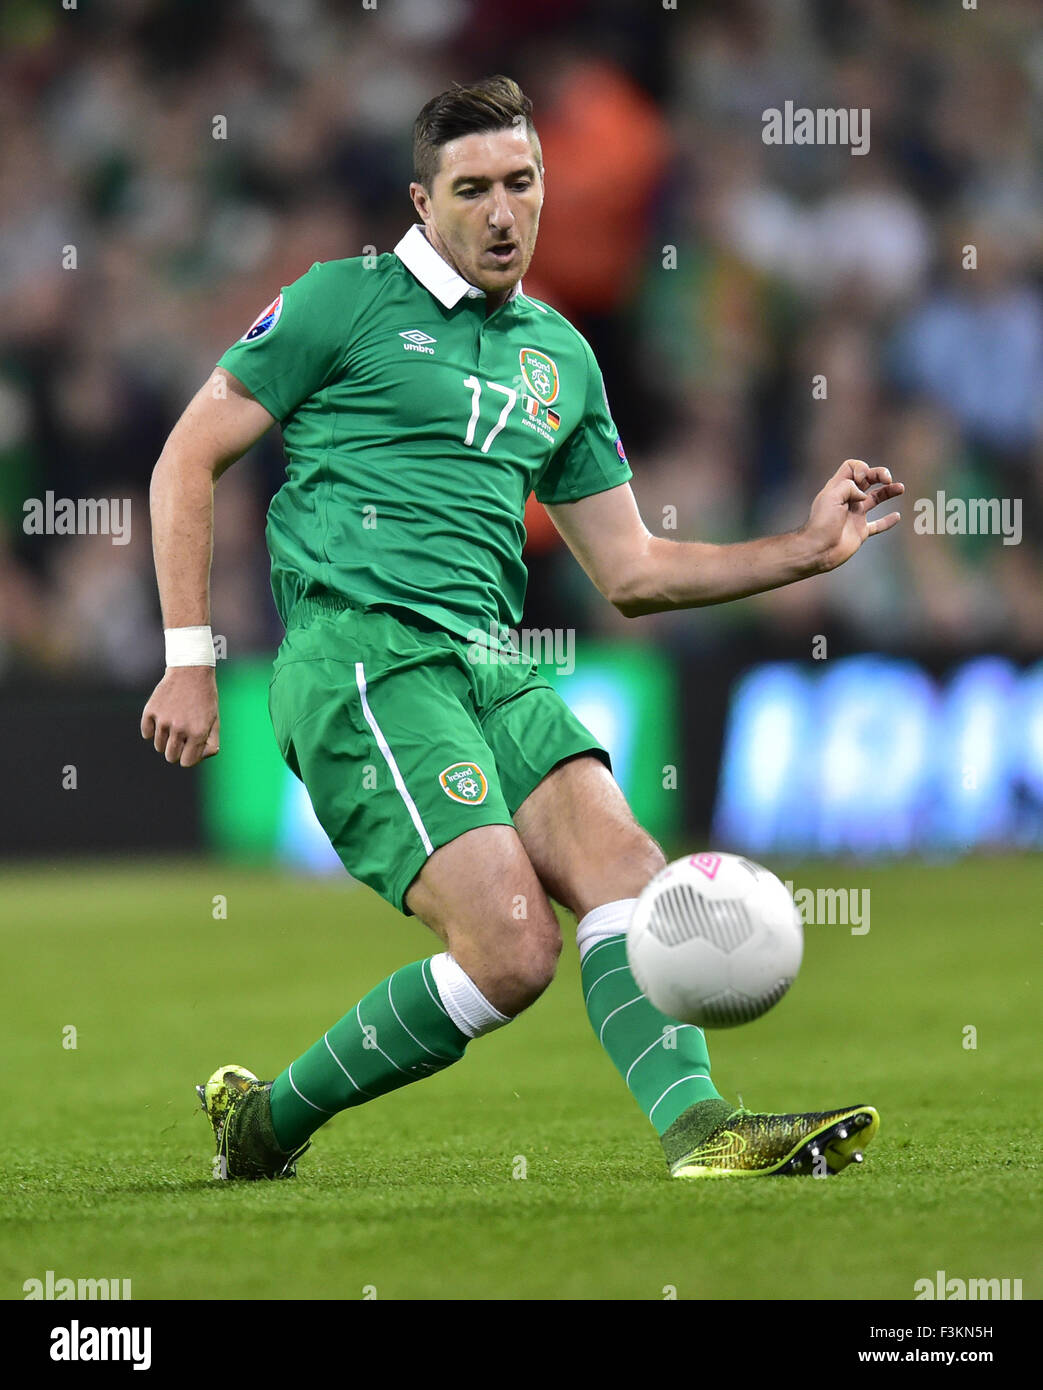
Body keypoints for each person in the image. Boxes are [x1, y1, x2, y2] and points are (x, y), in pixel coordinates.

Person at [141, 76, 901, 1181]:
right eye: (472, 189)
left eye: (522, 182)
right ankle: (263, 1124)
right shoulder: (333, 304)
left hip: (491, 668)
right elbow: (184, 460)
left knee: (630, 875)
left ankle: (704, 1133)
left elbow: (631, 570)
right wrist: (188, 659)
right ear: (421, 200)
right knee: (510, 948)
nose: (503, 211)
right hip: (363, 660)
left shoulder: (560, 355)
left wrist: (801, 547)